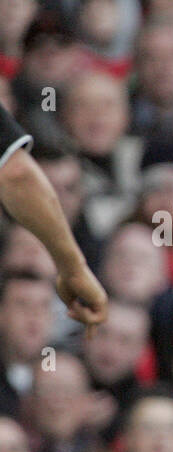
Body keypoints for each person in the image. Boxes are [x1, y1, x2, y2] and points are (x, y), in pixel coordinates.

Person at [0, 102, 107, 327]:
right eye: (47, 190)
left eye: (69, 188)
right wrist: (74, 269)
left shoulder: (98, 246)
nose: (59, 203)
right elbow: (17, 174)